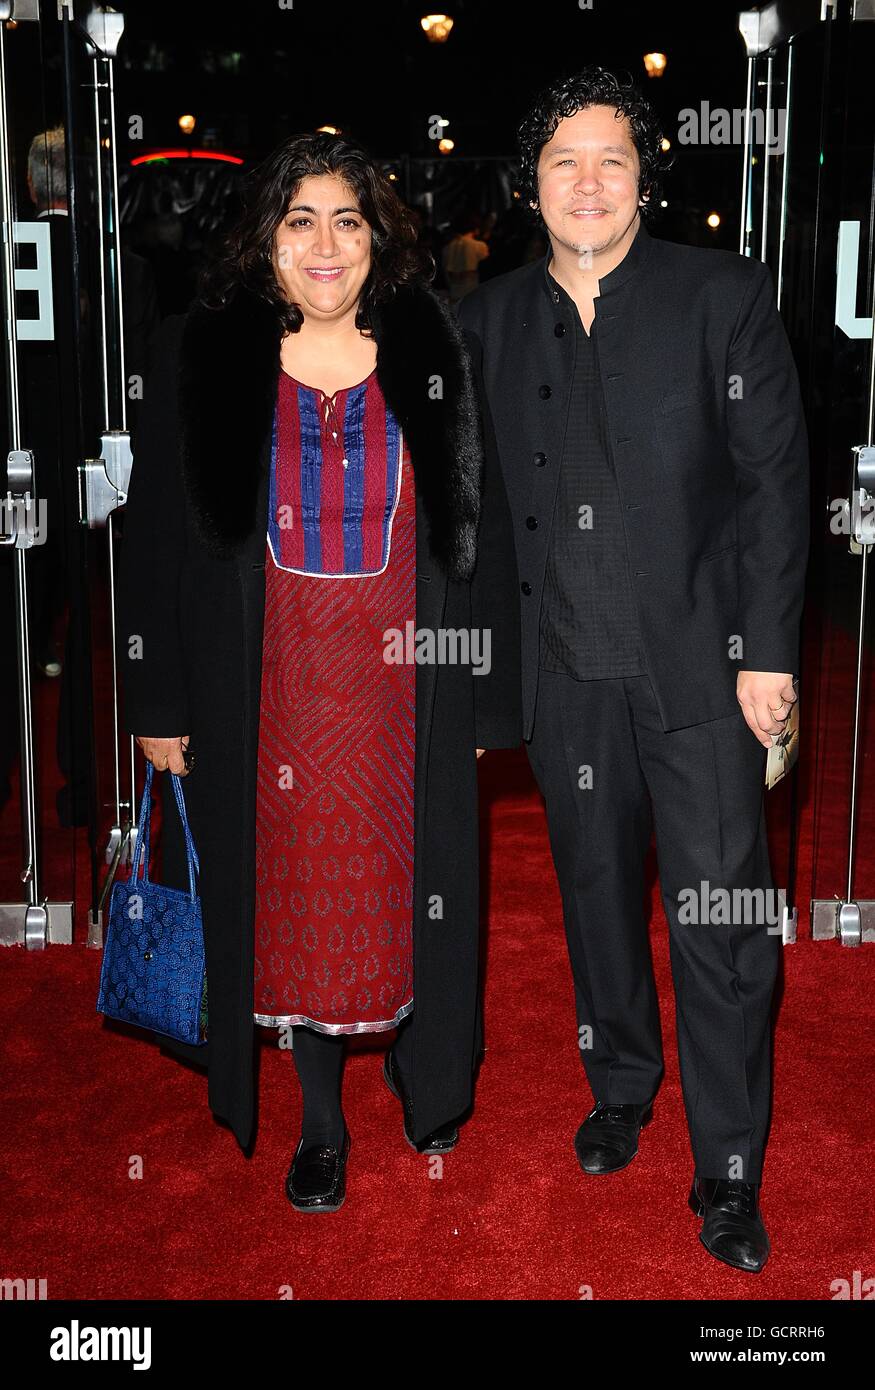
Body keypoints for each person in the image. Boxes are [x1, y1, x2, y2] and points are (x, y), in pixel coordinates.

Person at [115, 132, 520, 1211]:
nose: (326, 244)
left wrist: (481, 691)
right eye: (301, 221)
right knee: (287, 902)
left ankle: (412, 1053)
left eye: (348, 220)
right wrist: (153, 699)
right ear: (266, 243)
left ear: (378, 241)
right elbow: (153, 536)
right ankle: (320, 1117)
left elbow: (479, 536)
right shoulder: (199, 352)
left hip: (402, 687)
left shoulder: (434, 351)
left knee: (403, 890)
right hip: (268, 682)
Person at [459, 66, 809, 1272]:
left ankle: (725, 1170)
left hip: (705, 676)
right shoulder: (487, 318)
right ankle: (620, 1083)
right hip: (567, 677)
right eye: (563, 161)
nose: (588, 182)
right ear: (530, 185)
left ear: (643, 176)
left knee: (719, 929)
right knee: (594, 902)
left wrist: (767, 654)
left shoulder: (723, 296)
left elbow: (774, 487)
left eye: (611, 158)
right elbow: (473, 508)